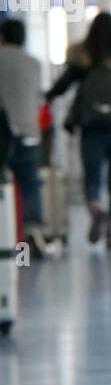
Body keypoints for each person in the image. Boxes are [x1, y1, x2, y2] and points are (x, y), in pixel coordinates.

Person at [45, 13, 111, 248]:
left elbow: (61, 87)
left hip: (91, 126)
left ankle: (96, 207)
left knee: (92, 176)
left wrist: (44, 98)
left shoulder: (82, 57)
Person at [0, 17, 46, 256]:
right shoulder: (34, 63)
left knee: (3, 186)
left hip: (3, 134)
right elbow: (38, 98)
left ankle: (5, 233)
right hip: (29, 132)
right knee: (30, 185)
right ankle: (33, 231)